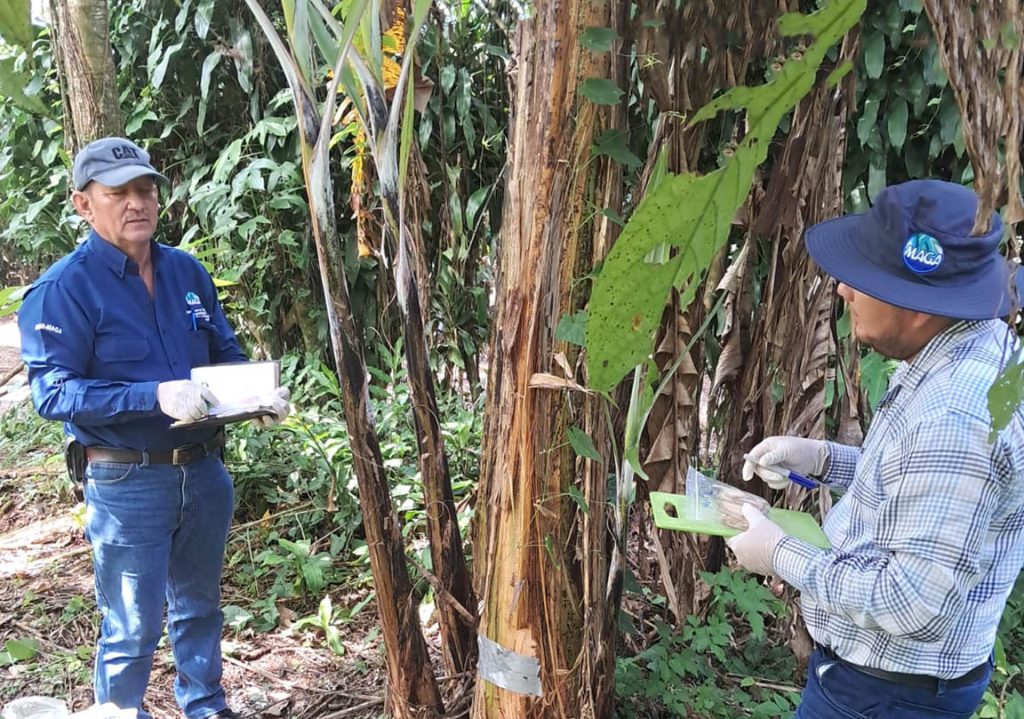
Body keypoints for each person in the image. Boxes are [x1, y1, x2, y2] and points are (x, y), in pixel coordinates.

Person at [727, 179, 1024, 718]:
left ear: (917, 306)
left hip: (885, 695)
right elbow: (920, 488)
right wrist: (823, 460)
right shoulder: (972, 349)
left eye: (863, 280)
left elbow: (913, 604)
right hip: (885, 685)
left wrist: (781, 554)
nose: (843, 290)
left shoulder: (954, 418)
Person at [17, 137, 292, 719]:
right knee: (131, 626)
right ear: (83, 205)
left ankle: (207, 708)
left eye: (145, 189)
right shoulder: (64, 289)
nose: (136, 202)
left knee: (200, 609)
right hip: (126, 481)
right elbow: (53, 392)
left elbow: (225, 354)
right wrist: (155, 395)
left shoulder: (185, 272)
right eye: (117, 193)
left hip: (202, 471)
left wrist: (257, 396)